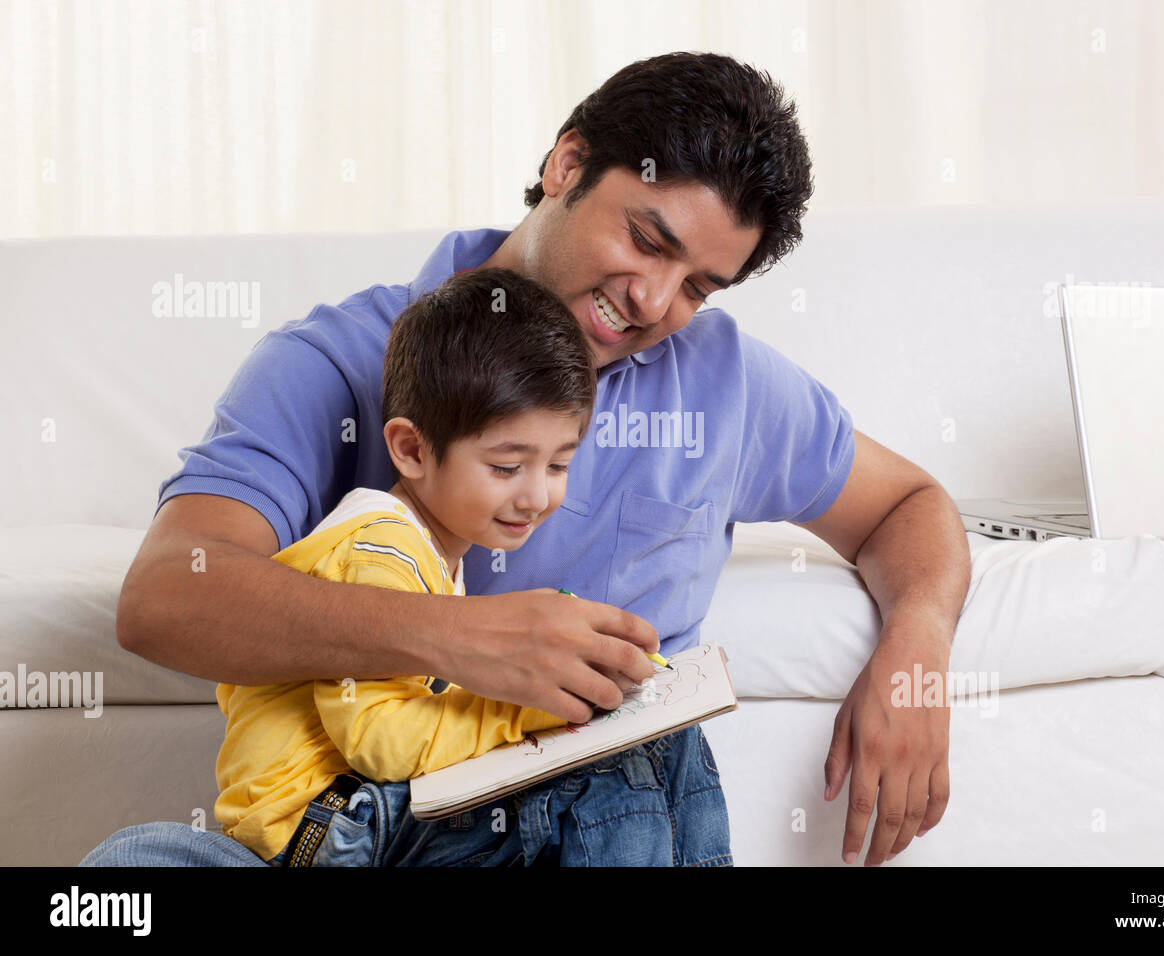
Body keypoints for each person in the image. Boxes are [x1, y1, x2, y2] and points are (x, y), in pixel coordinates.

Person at [91, 51, 969, 868]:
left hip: (583, 826)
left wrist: (917, 652)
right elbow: (166, 594)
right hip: (356, 828)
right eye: (648, 240)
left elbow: (909, 505)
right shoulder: (344, 358)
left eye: (699, 285)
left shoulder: (724, 384)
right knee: (122, 874)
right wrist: (461, 639)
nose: (655, 300)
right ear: (567, 165)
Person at [209, 267, 728, 867]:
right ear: (411, 450)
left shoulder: (431, 556)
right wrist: (537, 707)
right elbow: (377, 742)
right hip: (326, 825)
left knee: (666, 733)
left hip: (376, 807)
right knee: (611, 763)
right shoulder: (379, 546)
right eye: (507, 467)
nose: (536, 496)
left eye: (558, 465)